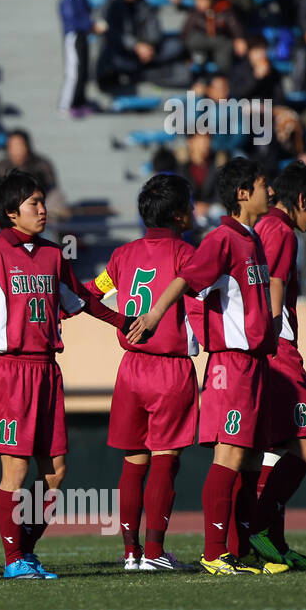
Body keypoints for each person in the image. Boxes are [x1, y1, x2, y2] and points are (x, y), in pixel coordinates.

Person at [0, 169, 128, 578]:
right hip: (8, 373)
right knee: (15, 470)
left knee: (55, 472)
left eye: (42, 202)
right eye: (33, 204)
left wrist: (123, 321)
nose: (42, 210)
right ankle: (12, 560)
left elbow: (81, 300)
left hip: (47, 372)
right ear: (10, 212)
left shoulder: (54, 255)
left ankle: (24, 548)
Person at [128, 158, 288, 575]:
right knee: (229, 457)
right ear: (242, 194)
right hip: (230, 366)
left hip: (253, 364)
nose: (269, 192)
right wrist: (154, 315)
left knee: (250, 459)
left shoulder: (251, 240)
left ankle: (239, 551)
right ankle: (215, 553)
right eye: (262, 184)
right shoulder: (222, 239)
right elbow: (185, 280)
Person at [85, 174, 199, 571]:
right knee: (166, 460)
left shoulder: (121, 255)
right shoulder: (187, 254)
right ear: (181, 213)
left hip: (131, 370)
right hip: (169, 369)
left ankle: (132, 553)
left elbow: (89, 293)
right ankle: (154, 552)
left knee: (134, 462)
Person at [248, 161, 306, 570]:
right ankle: (258, 527)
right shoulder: (280, 230)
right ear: (301, 199)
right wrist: (272, 339)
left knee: (274, 448)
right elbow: (274, 287)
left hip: (263, 350)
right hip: (278, 349)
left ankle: (273, 542)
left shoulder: (262, 227)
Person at [59, 0, 95, 117]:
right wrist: (91, 25)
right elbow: (72, 19)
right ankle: (66, 105)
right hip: (74, 35)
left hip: (83, 35)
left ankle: (80, 101)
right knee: (74, 71)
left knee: (84, 70)